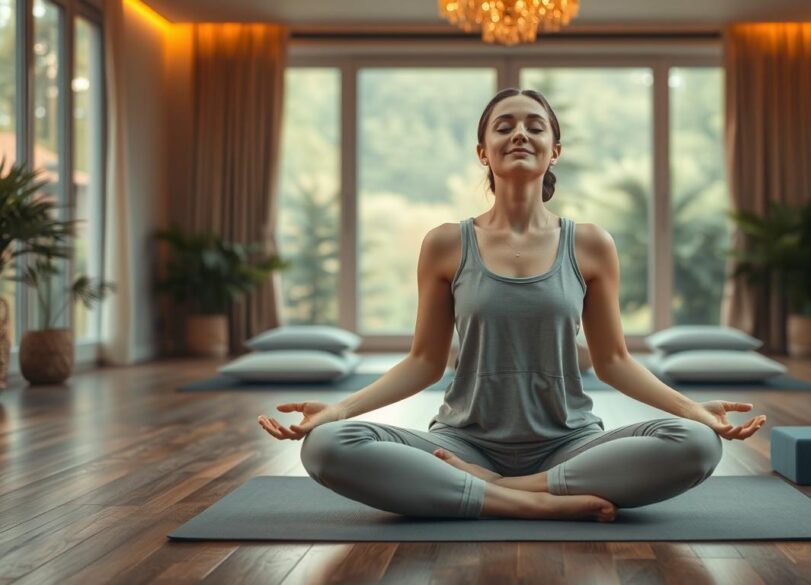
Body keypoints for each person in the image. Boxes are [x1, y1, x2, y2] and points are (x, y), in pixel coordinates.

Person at [258, 88, 766, 522]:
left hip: (569, 443)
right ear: (484, 152)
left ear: (554, 150)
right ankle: (535, 504)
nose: (519, 134)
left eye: (534, 127)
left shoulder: (590, 244)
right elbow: (424, 362)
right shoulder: (444, 244)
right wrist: (340, 410)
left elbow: (613, 361)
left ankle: (500, 491)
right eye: (504, 126)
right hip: (462, 444)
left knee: (698, 444)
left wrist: (692, 409)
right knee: (326, 447)